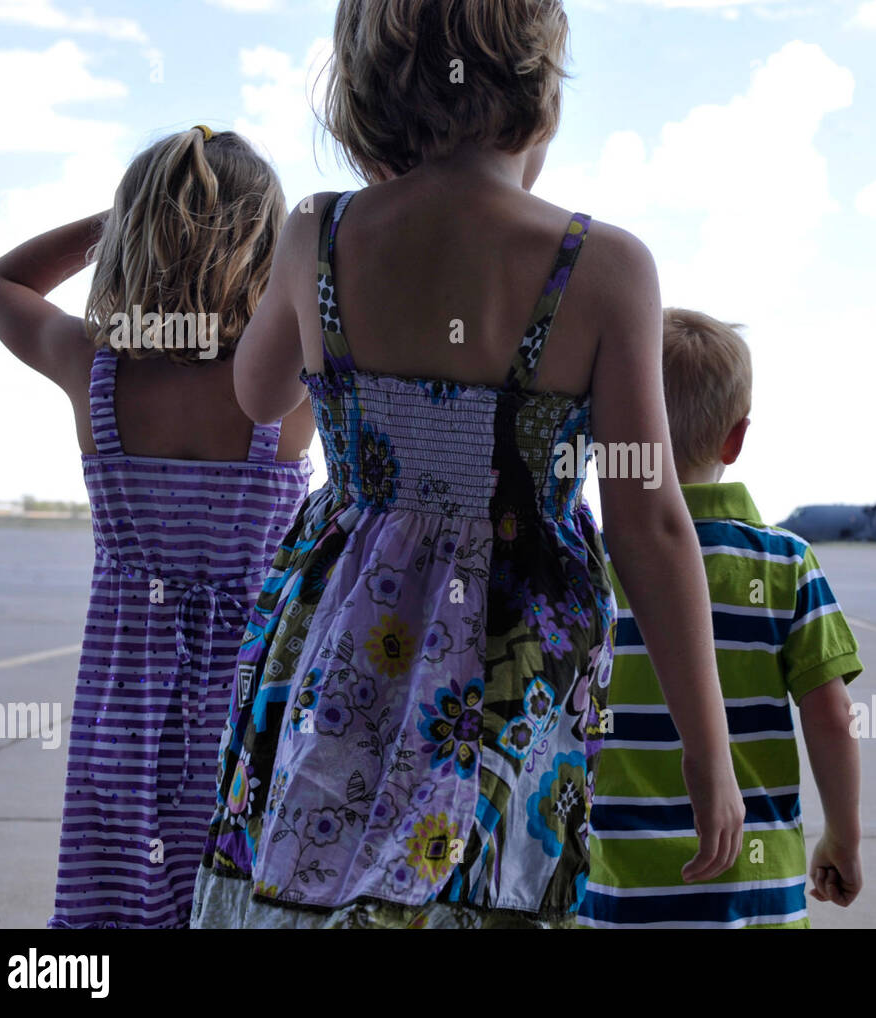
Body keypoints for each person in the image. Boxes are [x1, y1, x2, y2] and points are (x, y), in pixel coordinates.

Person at [190, 0, 743, 930]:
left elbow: (257, 394)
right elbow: (649, 520)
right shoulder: (602, 266)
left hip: (341, 634)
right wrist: (707, 747)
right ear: (540, 88)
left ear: (368, 87)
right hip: (508, 656)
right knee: (484, 885)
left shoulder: (316, 235)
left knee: (314, 864)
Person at [0, 126, 315, 927]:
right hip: (250, 697)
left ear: (132, 235)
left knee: (117, 893)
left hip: (124, 698)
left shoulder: (91, 366)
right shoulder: (290, 384)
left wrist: (129, 215)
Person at [578, 308, 864, 928]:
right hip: (752, 892)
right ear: (736, 439)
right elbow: (832, 717)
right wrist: (844, 837)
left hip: (612, 890)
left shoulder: (589, 565)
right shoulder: (786, 565)